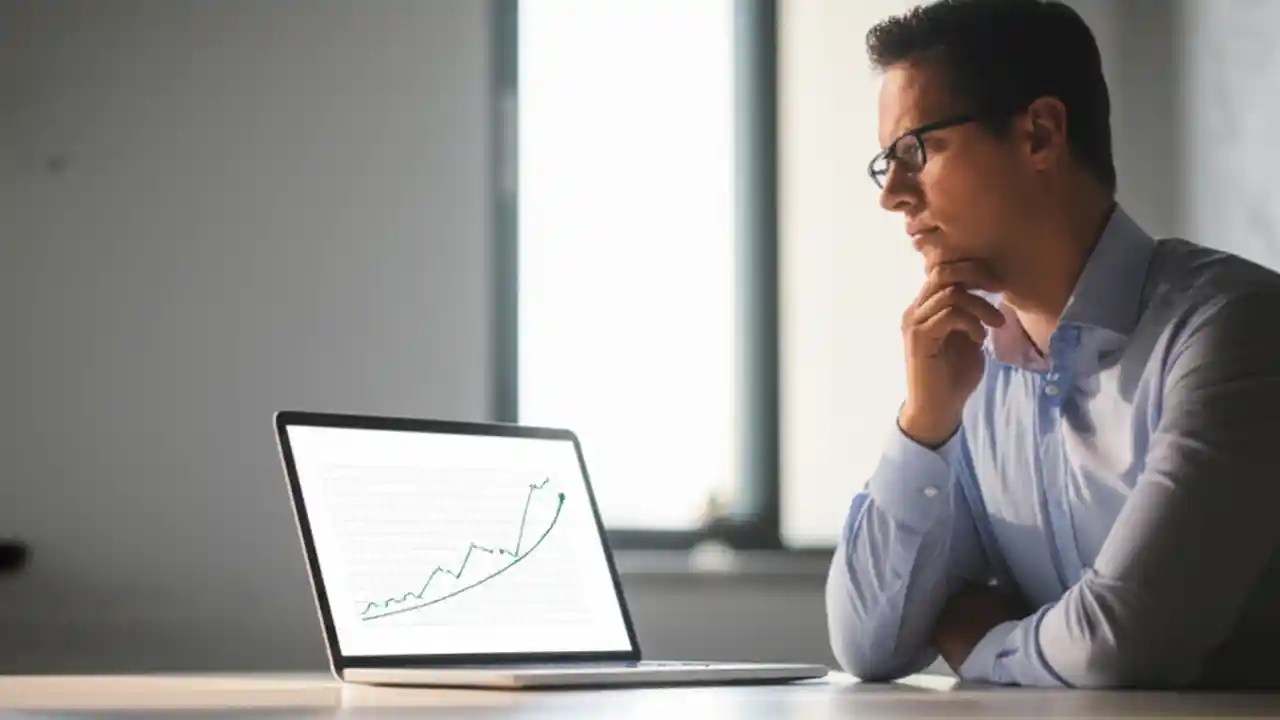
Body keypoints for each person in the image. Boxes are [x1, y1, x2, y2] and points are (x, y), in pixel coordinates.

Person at [826, 0, 1280, 689]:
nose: (892, 194)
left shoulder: (1232, 329)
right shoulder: (966, 369)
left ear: (1040, 134)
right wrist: (924, 425)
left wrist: (980, 642)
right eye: (885, 161)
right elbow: (868, 643)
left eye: (916, 149)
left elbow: (1122, 645)